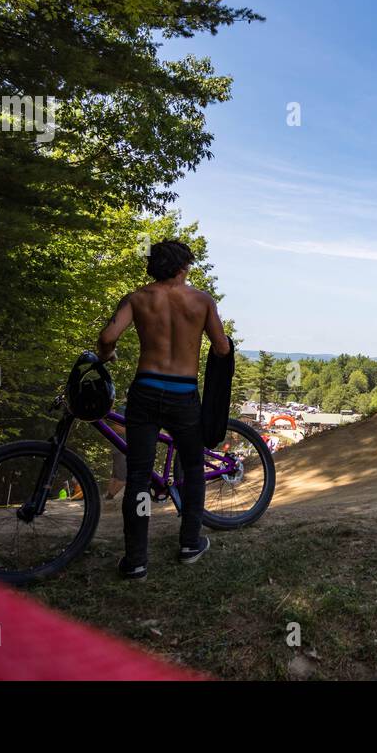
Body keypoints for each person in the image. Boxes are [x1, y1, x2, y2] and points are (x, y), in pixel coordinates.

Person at [96, 239, 234, 580]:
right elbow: (220, 347)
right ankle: (190, 544)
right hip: (183, 394)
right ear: (179, 267)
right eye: (187, 265)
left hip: (144, 392)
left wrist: (106, 356)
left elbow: (108, 335)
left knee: (139, 476)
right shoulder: (201, 301)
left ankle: (136, 561)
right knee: (191, 467)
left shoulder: (137, 298)